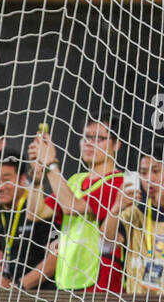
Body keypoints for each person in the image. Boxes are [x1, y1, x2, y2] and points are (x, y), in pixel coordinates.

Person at [27, 118, 127, 292]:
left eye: (99, 138)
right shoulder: (75, 180)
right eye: (86, 137)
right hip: (68, 280)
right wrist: (37, 176)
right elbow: (35, 214)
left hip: (100, 283)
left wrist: (50, 163)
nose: (89, 144)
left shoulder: (118, 182)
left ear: (116, 144)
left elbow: (72, 207)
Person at [104, 145, 164, 295]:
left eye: (156, 171)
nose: (149, 179)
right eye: (143, 173)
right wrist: (115, 209)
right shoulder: (135, 213)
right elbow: (105, 245)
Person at [0, 158, 57, 289]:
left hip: (44, 295)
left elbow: (55, 258)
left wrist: (18, 285)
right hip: (15, 296)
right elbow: (4, 256)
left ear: (22, 180)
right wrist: (1, 275)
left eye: (6, 180)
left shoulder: (38, 208)